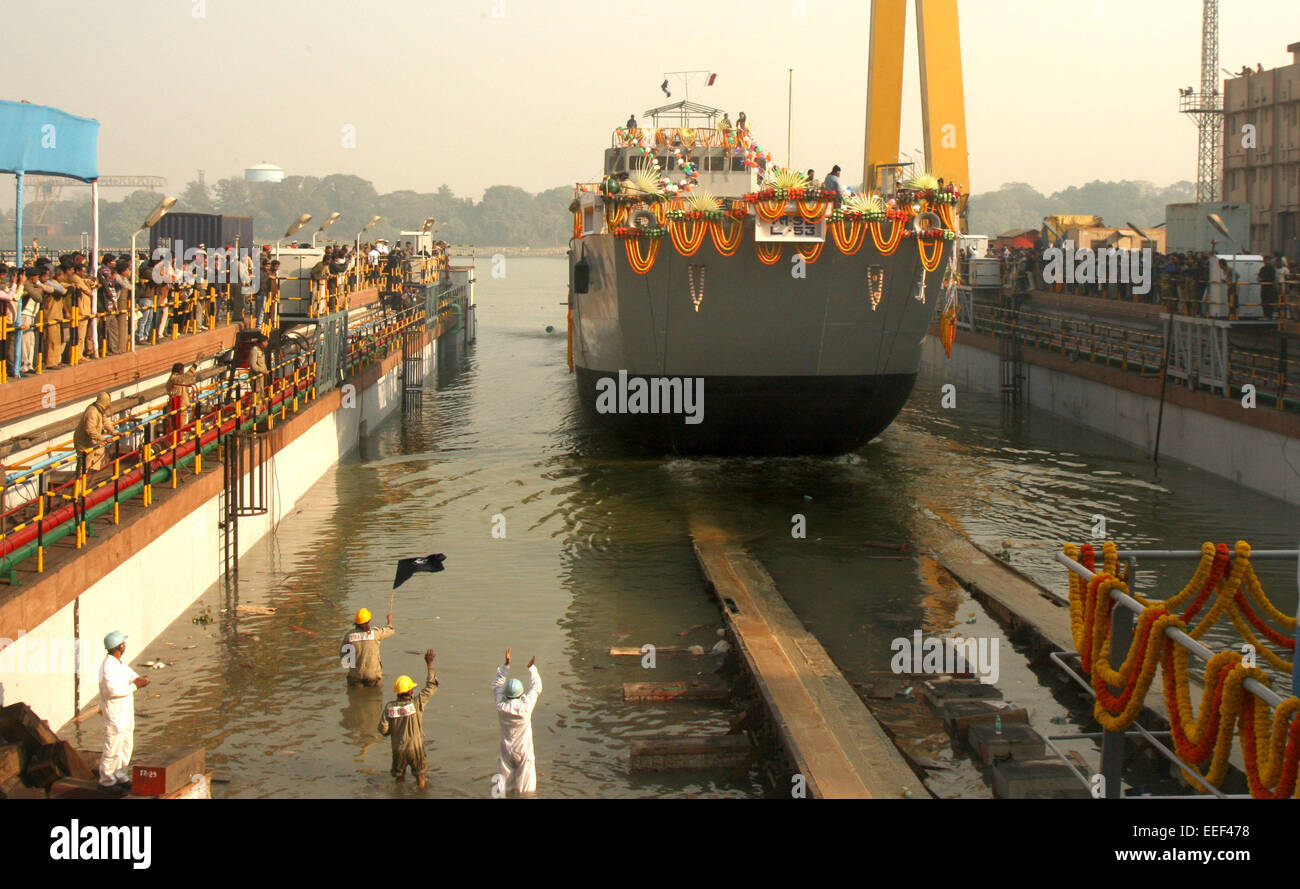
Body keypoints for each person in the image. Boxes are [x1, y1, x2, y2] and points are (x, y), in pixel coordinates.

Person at [377, 648, 438, 789]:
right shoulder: (416, 704)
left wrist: (393, 731)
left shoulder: (389, 707)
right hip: (415, 748)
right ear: (410, 691)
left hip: (398, 749)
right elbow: (431, 687)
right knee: (420, 776)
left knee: (399, 778)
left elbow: (383, 729)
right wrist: (429, 664)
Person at [98, 630, 149, 791]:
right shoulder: (107, 666)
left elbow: (129, 673)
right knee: (113, 746)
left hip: (125, 713)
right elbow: (112, 691)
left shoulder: (119, 663)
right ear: (120, 646)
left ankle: (120, 776)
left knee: (126, 745)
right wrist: (135, 686)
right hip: (114, 715)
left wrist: (138, 679)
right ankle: (106, 781)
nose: (125, 645)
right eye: (124, 643)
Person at [493, 647, 542, 797]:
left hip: (506, 750)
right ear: (521, 695)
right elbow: (536, 687)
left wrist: (506, 665)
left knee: (503, 791)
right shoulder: (525, 707)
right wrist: (531, 668)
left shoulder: (501, 706)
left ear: (506, 695)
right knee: (526, 791)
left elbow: (497, 685)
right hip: (523, 750)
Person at [340, 607, 395, 687]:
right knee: (376, 697)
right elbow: (390, 631)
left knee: (355, 697)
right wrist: (389, 621)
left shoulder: (349, 636)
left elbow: (344, 658)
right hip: (372, 676)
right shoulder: (375, 634)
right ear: (369, 621)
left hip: (355, 676)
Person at [74, 392, 116, 475]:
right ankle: (80, 485)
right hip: (83, 443)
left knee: (90, 461)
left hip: (90, 441)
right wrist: (104, 438)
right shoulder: (92, 412)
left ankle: (85, 481)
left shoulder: (99, 410)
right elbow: (90, 430)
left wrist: (114, 432)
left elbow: (105, 421)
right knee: (84, 464)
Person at [166, 361, 199, 434]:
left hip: (181, 406)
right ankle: (180, 440)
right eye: (183, 370)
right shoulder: (175, 378)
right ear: (179, 370)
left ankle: (180, 438)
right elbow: (186, 376)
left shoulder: (177, 379)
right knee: (179, 426)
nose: (183, 371)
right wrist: (194, 366)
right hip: (178, 407)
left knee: (181, 425)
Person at [248, 333, 270, 402]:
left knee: (262, 394)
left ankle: (260, 410)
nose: (267, 343)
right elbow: (253, 364)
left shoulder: (261, 350)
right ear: (262, 342)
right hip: (256, 376)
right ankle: (255, 412)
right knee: (257, 395)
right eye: (266, 342)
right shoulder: (254, 350)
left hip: (261, 376)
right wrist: (262, 371)